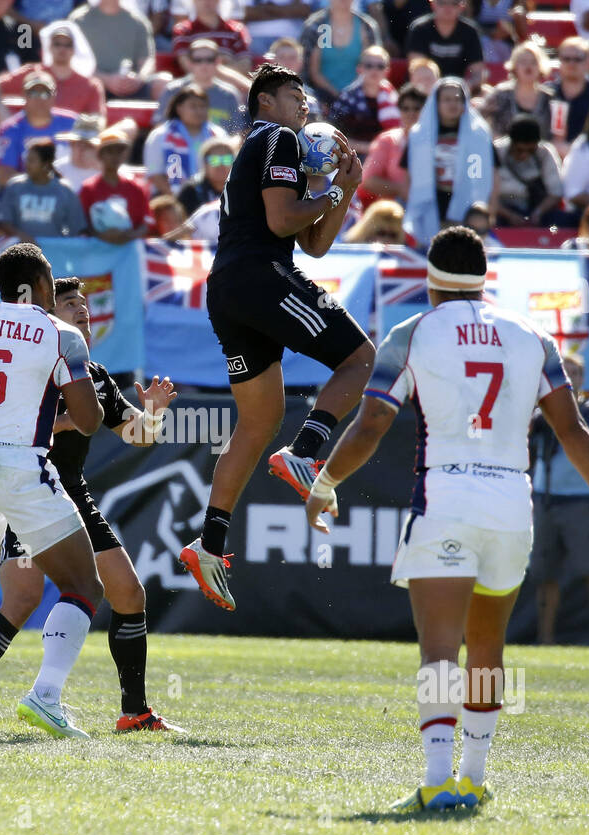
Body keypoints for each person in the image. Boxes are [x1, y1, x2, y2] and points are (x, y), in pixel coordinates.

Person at [302, 226, 589, 811]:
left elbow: (373, 424)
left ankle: (435, 782)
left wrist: (326, 481)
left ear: (431, 282)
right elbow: (573, 430)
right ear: (485, 278)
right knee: (487, 650)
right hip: (512, 504)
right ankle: (473, 780)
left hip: (447, 499)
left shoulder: (413, 333)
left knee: (438, 652)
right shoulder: (532, 335)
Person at [178, 63, 373, 612]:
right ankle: (306, 451)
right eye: (294, 94)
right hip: (257, 277)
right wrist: (333, 190)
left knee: (259, 418)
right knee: (360, 357)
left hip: (232, 289)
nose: (304, 104)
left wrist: (344, 191)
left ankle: (209, 543)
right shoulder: (276, 136)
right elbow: (286, 221)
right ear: (264, 102)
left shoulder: (269, 145)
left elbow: (313, 245)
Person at [0, 275, 185, 731]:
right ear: (48, 314)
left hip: (72, 494)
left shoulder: (95, 375)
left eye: (85, 304)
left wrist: (155, 413)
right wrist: (67, 422)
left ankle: (134, 713)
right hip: (31, 488)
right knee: (22, 599)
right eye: (70, 304)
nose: (83, 309)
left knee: (127, 593)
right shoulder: (33, 365)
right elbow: (24, 425)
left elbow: (138, 435)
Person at [0, 242, 105, 738]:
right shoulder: (62, 334)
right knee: (83, 586)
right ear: (36, 287)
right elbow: (92, 420)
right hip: (19, 467)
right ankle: (46, 695)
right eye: (52, 285)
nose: (56, 294)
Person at [528, 352, 589, 645]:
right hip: (546, 500)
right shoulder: (541, 412)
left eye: (575, 373)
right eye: (565, 372)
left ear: (583, 379)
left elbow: (580, 431)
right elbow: (526, 431)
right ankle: (545, 638)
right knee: (545, 575)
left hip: (579, 502)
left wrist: (552, 407)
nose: (570, 378)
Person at [400, 77, 496, 241]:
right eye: (446, 99)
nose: (453, 104)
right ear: (436, 103)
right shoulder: (420, 135)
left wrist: (489, 209)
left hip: (468, 207)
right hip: (431, 204)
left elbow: (491, 174)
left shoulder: (479, 135)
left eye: (457, 99)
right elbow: (408, 175)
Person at [0, 19, 104, 124]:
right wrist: (5, 115)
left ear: (74, 49)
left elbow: (97, 120)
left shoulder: (90, 85)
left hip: (69, 144)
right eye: (57, 44)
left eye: (68, 45)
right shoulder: (32, 73)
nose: (62, 49)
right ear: (49, 46)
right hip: (31, 143)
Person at [0, 71, 77, 189]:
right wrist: (40, 187)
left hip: (69, 191)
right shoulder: (9, 129)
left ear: (55, 95)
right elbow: (3, 175)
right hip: (27, 195)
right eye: (33, 93)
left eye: (45, 93)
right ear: (23, 95)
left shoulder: (73, 124)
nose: (39, 99)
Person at [0, 136, 87, 239]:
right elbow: (4, 222)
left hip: (53, 253)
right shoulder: (15, 187)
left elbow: (77, 229)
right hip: (20, 252)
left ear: (46, 164)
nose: (26, 164)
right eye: (26, 159)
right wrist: (23, 238)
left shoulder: (65, 191)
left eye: (31, 161)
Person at [153, 36, 247, 134]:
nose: (204, 64)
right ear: (189, 63)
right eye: (198, 60)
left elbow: (237, 134)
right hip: (179, 147)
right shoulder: (173, 90)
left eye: (209, 59)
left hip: (220, 147)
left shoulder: (230, 94)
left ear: (217, 62)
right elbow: (160, 128)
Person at [69, 0, 160, 101]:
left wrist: (138, 78)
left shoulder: (139, 21)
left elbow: (147, 61)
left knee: (162, 82)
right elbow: (73, 62)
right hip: (91, 85)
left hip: (131, 86)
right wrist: (106, 79)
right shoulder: (78, 20)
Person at [143, 86, 225, 195]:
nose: (199, 111)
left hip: (212, 197)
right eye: (193, 106)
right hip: (170, 198)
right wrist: (179, 199)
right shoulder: (160, 135)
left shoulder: (218, 135)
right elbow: (155, 173)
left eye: (203, 106)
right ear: (179, 108)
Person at [301, 0, 384, 107]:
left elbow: (374, 65)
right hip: (322, 98)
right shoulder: (316, 26)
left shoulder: (366, 26)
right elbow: (312, 72)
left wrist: (349, 95)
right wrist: (337, 95)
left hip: (361, 98)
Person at [78, 124, 150, 243]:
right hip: (97, 254)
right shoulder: (88, 188)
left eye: (120, 151)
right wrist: (102, 236)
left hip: (128, 254)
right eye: (110, 151)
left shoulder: (137, 188)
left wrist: (128, 236)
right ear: (100, 155)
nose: (115, 156)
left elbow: (145, 224)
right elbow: (82, 224)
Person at [544, 37, 589, 159]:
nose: (571, 64)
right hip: (552, 155)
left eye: (577, 59)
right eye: (566, 59)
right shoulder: (547, 92)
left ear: (588, 61)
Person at [493, 114, 565, 227]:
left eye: (530, 150)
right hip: (503, 211)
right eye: (519, 150)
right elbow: (485, 194)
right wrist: (510, 215)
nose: (524, 155)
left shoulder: (544, 153)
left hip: (536, 209)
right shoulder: (496, 152)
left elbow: (555, 193)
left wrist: (538, 213)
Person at [327, 45, 398, 156]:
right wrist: (370, 148)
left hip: (386, 154)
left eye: (380, 66)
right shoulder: (347, 98)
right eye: (369, 65)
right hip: (354, 155)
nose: (374, 70)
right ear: (359, 69)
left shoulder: (394, 99)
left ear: (387, 71)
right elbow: (334, 135)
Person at [358, 82, 422, 205]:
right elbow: (368, 180)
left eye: (417, 108)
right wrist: (400, 190)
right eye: (405, 108)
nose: (411, 113)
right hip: (397, 209)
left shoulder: (439, 139)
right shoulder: (388, 140)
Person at [405, 0, 486, 92]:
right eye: (442, 2)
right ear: (433, 4)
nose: (448, 8)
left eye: (454, 3)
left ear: (462, 6)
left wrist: (465, 86)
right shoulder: (420, 29)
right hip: (424, 91)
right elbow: (418, 69)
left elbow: (477, 73)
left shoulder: (470, 32)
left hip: (458, 92)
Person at [480, 40, 552, 139]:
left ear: (540, 67)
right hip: (504, 151)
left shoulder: (549, 98)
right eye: (523, 62)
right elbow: (478, 119)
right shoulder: (500, 94)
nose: (528, 66)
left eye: (533, 62)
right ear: (515, 66)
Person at [172, 0, 251, 74]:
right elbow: (186, 65)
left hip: (231, 86)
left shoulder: (236, 29)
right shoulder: (183, 30)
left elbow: (245, 64)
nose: (207, 1)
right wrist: (222, 64)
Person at [175, 134, 234, 216]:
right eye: (214, 160)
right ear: (205, 164)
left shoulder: (241, 189)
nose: (221, 165)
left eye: (227, 159)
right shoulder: (191, 192)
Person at [52, 112, 103, 191]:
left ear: (98, 149)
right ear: (71, 144)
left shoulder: (108, 174)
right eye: (78, 143)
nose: (82, 149)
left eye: (88, 145)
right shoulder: (56, 171)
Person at [339, 197, 406, 243]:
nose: (387, 240)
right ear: (366, 232)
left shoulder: (407, 251)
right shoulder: (348, 248)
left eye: (393, 235)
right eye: (381, 233)